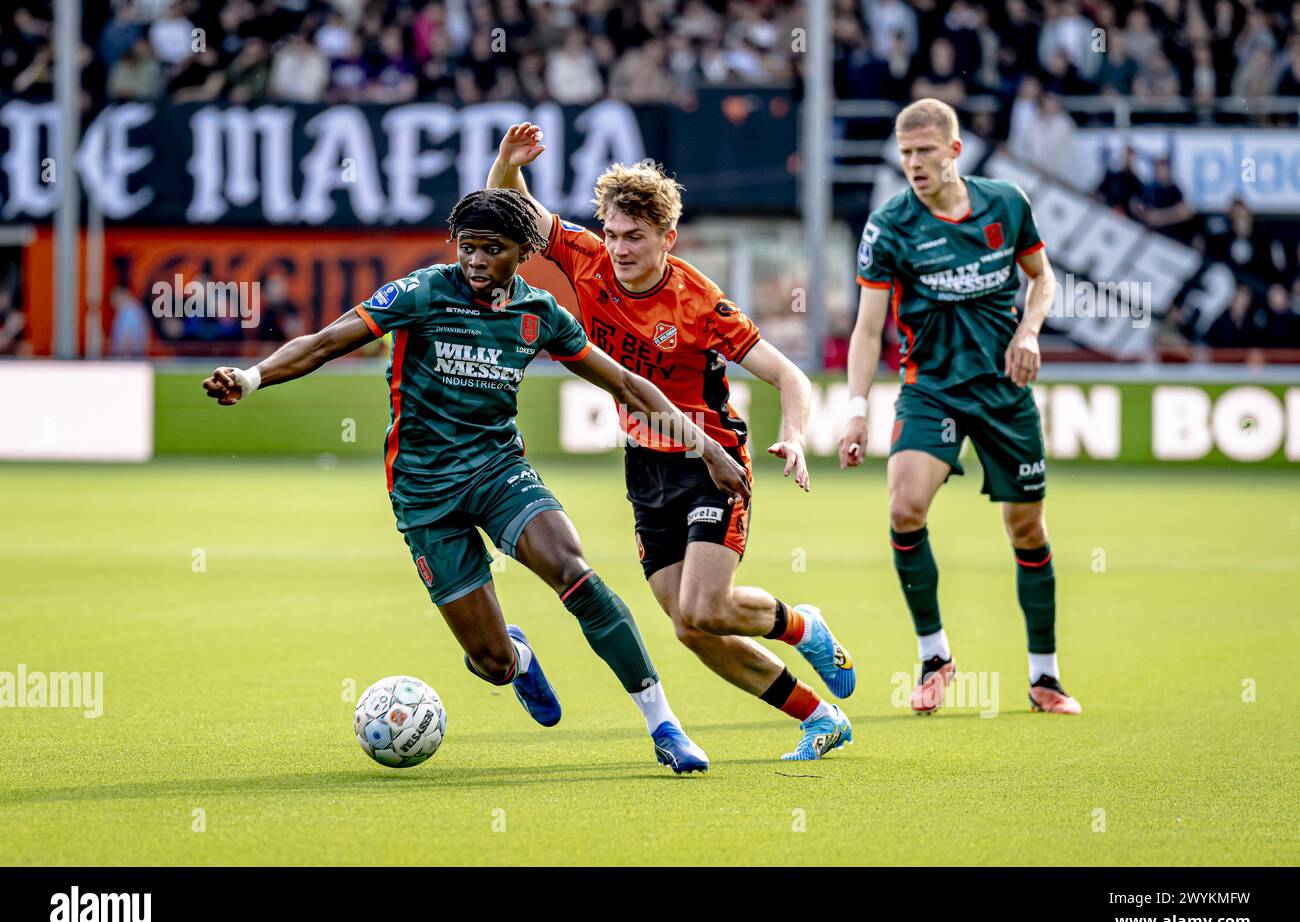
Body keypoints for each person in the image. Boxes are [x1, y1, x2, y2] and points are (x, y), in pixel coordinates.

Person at [202, 188, 751, 774]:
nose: (477, 262)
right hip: (423, 493)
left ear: (522, 253)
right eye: (468, 248)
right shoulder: (422, 292)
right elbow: (328, 341)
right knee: (491, 662)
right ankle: (515, 654)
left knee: (574, 571)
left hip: (497, 470)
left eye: (494, 250)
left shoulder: (539, 314)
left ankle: (663, 724)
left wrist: (707, 447)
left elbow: (625, 384)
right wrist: (252, 377)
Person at [487, 124, 855, 762]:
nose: (620, 249)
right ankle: (820, 717)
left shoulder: (700, 304)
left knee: (705, 605)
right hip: (645, 466)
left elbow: (787, 374)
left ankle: (802, 626)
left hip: (712, 464)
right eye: (613, 233)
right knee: (689, 627)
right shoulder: (587, 257)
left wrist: (793, 436)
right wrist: (506, 163)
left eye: (635, 237)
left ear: (667, 238)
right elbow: (507, 212)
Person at [838, 98, 1082, 716]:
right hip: (932, 387)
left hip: (1003, 390)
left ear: (954, 151)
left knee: (1026, 529)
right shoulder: (889, 225)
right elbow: (868, 330)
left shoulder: (1006, 203)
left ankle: (1045, 677)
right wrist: (857, 408)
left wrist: (1028, 332)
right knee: (903, 508)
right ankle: (934, 656)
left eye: (924, 152)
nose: (914, 164)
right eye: (905, 154)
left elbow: (1043, 278)